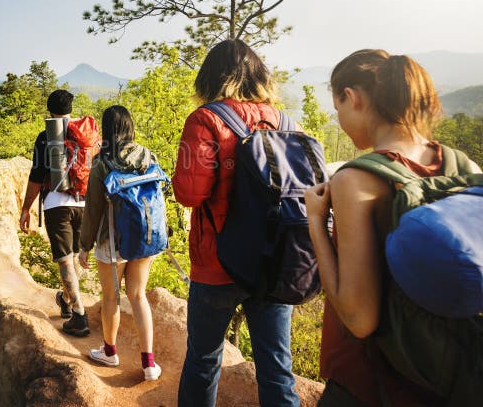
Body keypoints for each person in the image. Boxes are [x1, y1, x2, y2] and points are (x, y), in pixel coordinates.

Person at [304, 49, 481, 406]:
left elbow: (359, 319)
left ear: (351, 97)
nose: (339, 119)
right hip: (448, 373)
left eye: (338, 109)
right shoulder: (465, 166)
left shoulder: (356, 180)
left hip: (372, 381)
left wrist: (315, 222)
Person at [174, 39, 300, 407]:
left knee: (204, 360)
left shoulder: (206, 119)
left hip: (218, 263)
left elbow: (190, 194)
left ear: (210, 78)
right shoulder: (287, 123)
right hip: (276, 263)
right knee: (277, 368)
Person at [77, 105, 162, 381]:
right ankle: (149, 364)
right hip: (145, 237)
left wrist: (84, 246)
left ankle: (110, 352)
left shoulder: (103, 163)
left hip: (111, 241)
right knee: (138, 296)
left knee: (111, 297)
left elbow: (93, 209)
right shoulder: (148, 156)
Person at [20, 89, 89, 337]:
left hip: (56, 204)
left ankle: (79, 314)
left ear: (49, 111)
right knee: (76, 255)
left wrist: (26, 208)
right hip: (84, 201)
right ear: (71, 108)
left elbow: (37, 177)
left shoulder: (45, 137)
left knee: (64, 259)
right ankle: (68, 303)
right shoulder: (85, 134)